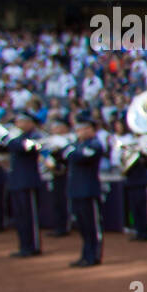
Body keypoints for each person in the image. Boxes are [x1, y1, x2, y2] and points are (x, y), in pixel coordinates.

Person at [63, 113, 104, 267]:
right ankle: (85, 255)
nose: (81, 131)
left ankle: (94, 255)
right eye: (79, 128)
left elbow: (80, 157)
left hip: (89, 190)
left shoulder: (94, 144)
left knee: (92, 225)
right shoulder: (77, 144)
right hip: (76, 190)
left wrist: (69, 150)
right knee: (82, 226)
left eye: (85, 128)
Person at [4, 110, 44, 257]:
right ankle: (24, 245)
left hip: (29, 181)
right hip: (17, 181)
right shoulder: (18, 137)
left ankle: (33, 246)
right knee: (20, 216)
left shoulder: (35, 136)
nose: (18, 124)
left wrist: (8, 137)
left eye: (22, 121)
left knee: (30, 216)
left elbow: (22, 147)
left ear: (30, 123)